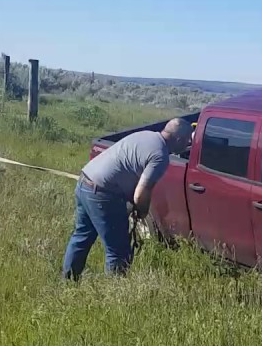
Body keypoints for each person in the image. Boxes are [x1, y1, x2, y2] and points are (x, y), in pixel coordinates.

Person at [61, 118, 192, 280]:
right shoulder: (160, 155)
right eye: (187, 140)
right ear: (178, 139)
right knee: (119, 251)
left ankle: (68, 281)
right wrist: (142, 211)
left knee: (81, 237)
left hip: (85, 182)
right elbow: (141, 193)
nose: (188, 144)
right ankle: (116, 295)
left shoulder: (146, 135)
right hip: (103, 194)